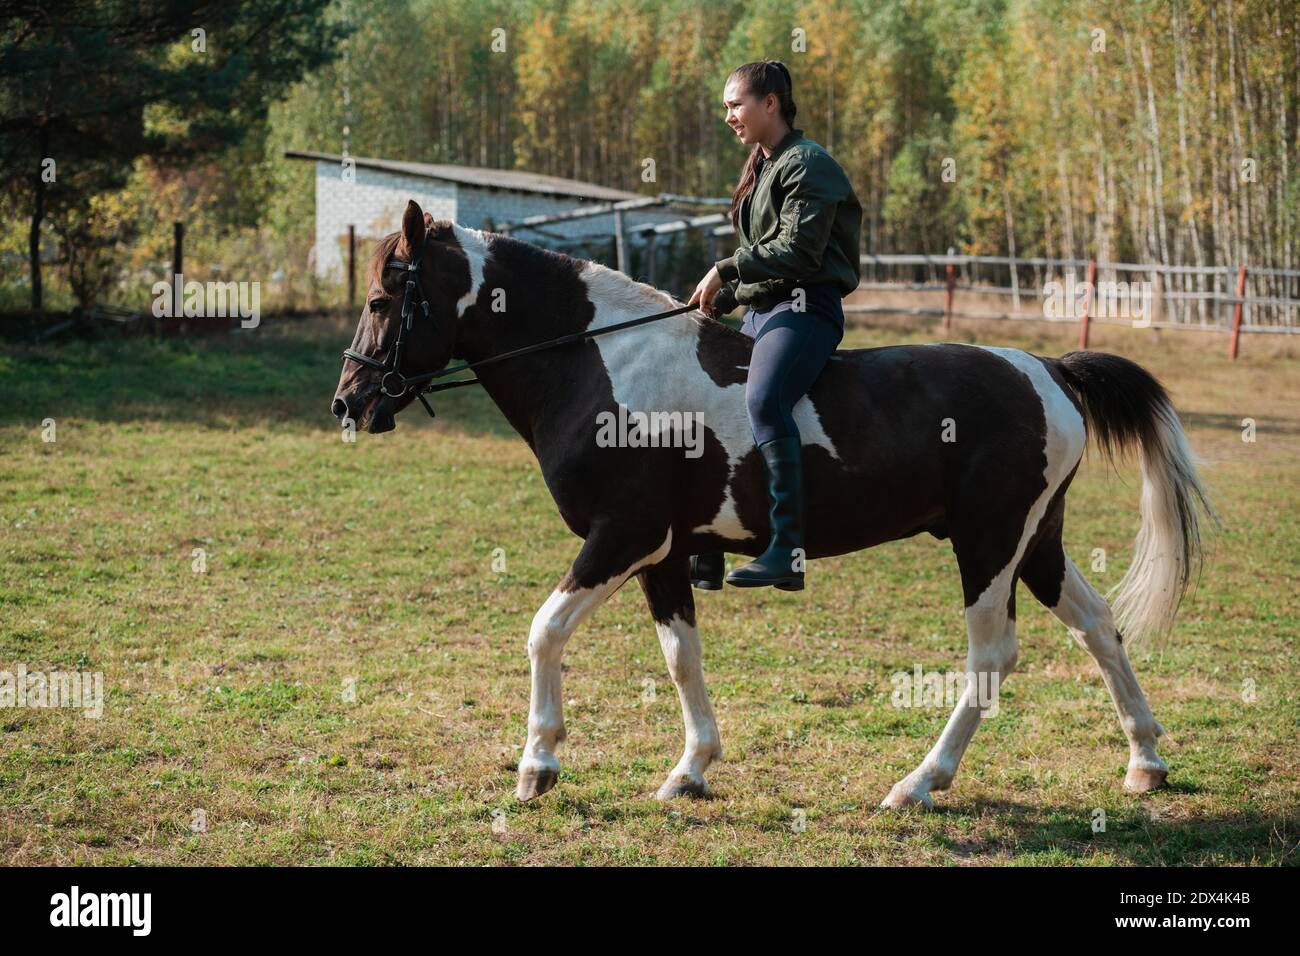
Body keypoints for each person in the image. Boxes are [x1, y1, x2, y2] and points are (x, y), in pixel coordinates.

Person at [687, 59, 863, 592]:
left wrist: (724, 271)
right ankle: (710, 540)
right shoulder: (761, 167)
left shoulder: (810, 164)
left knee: (763, 401)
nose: (729, 117)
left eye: (735, 105)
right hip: (761, 310)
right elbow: (763, 260)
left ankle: (787, 549)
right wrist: (721, 301)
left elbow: (797, 252)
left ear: (770, 104)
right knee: (702, 399)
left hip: (804, 310)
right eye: (724, 107)